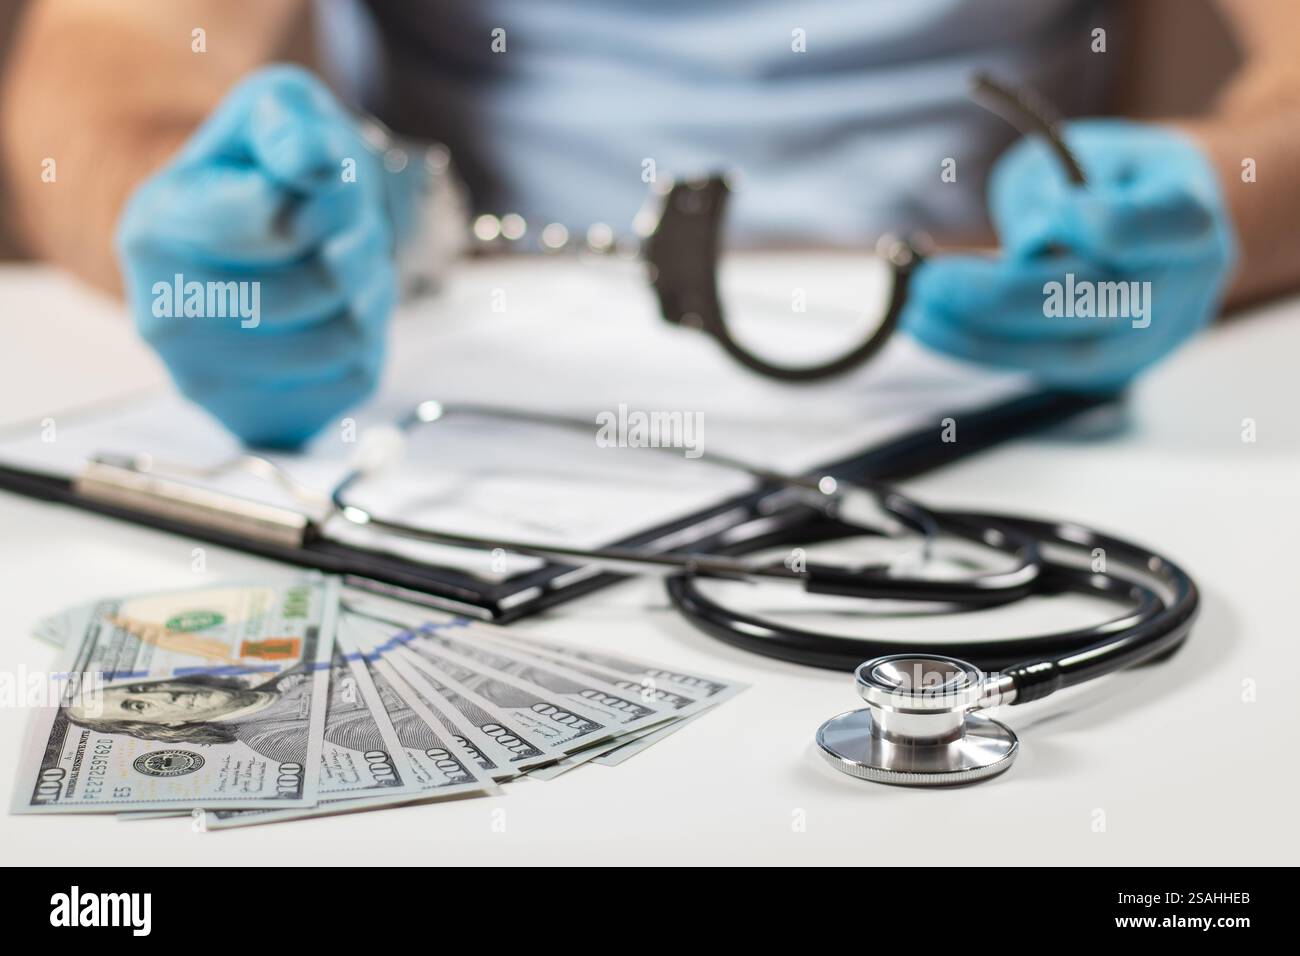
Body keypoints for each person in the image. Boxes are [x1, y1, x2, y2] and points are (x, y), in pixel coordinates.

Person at [2, 0, 1296, 448]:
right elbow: (110, 57)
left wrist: (1215, 195)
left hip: (995, 378)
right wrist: (188, 215)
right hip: (468, 382)